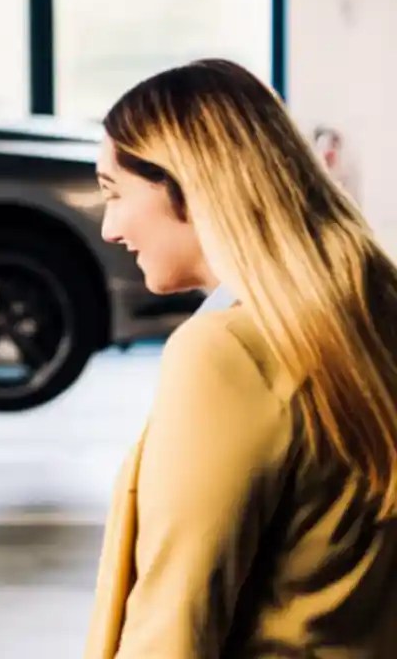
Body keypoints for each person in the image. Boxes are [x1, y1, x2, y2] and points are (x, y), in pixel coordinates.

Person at [84, 58, 397, 658]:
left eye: (114, 193)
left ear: (189, 181)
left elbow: (176, 616)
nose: (111, 229)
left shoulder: (226, 354)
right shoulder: (372, 310)